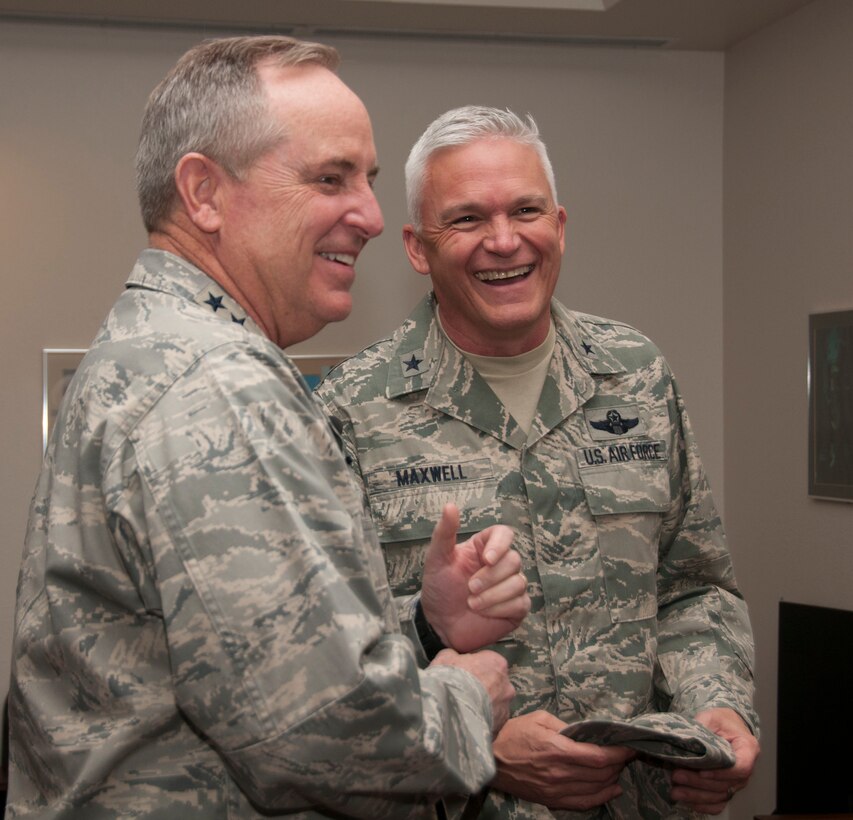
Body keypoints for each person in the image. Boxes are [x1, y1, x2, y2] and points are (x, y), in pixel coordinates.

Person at [7, 43, 533, 819]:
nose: (373, 216)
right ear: (204, 193)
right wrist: (465, 700)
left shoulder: (153, 347)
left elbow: (230, 662)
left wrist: (423, 628)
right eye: (330, 177)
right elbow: (318, 739)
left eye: (368, 179)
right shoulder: (219, 384)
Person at [316, 106, 761, 819]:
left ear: (558, 223)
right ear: (415, 247)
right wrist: (477, 748)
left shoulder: (636, 376)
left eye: (525, 210)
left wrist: (717, 706)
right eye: (464, 219)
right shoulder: (351, 410)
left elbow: (694, 588)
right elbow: (326, 665)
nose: (503, 241)